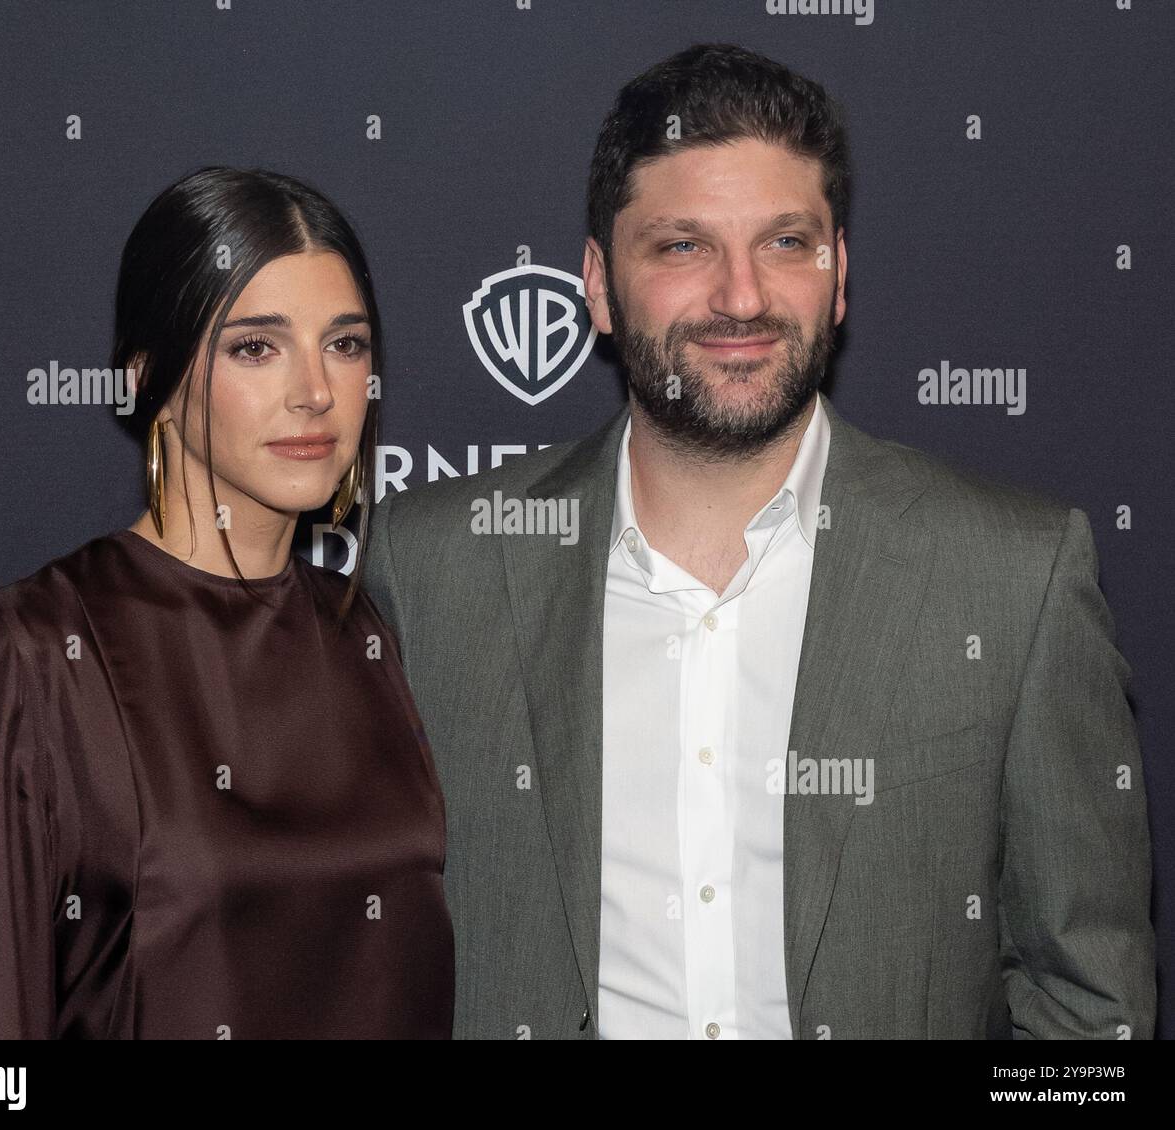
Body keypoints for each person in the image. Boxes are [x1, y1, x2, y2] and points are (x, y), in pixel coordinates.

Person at [362, 44, 1156, 1039]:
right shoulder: (433, 566)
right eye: (683, 247)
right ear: (599, 288)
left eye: (785, 242)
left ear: (838, 276)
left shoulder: (1012, 576)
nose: (740, 298)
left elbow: (1089, 1004)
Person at [0, 166, 453, 1039]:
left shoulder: (377, 635)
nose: (315, 389)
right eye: (255, 346)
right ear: (147, 372)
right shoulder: (31, 654)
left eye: (345, 344)